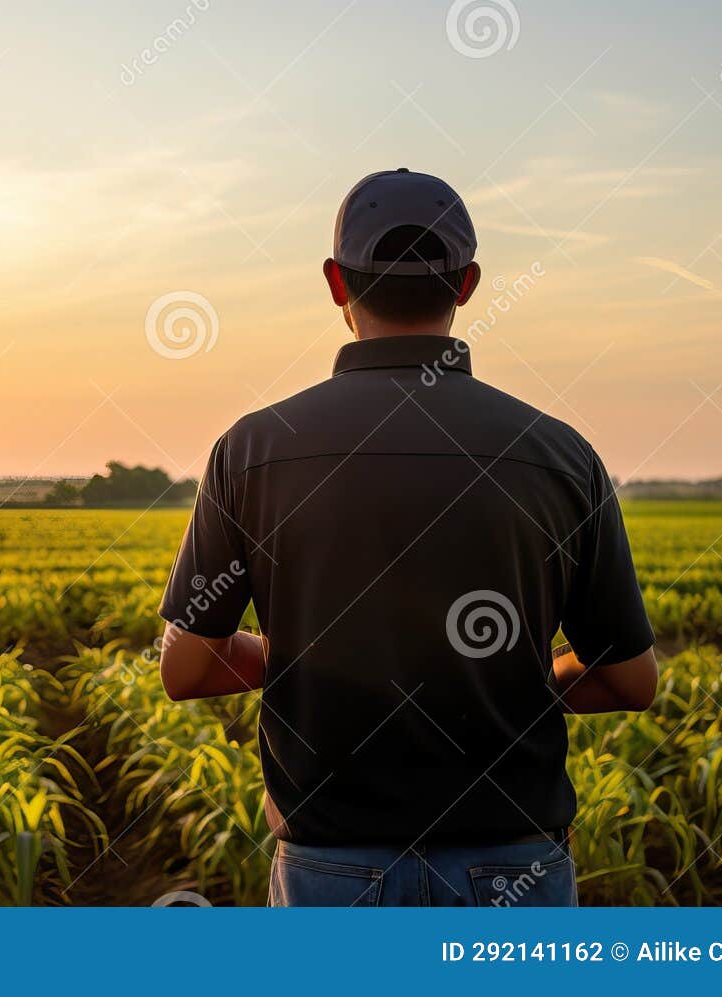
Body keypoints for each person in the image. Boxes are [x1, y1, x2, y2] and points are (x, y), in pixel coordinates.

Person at [156, 169, 658, 907]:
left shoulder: (255, 449)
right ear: (468, 283)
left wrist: (304, 659)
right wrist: (502, 676)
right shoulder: (558, 453)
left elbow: (188, 669)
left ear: (335, 282)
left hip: (330, 869)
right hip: (513, 865)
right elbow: (629, 679)